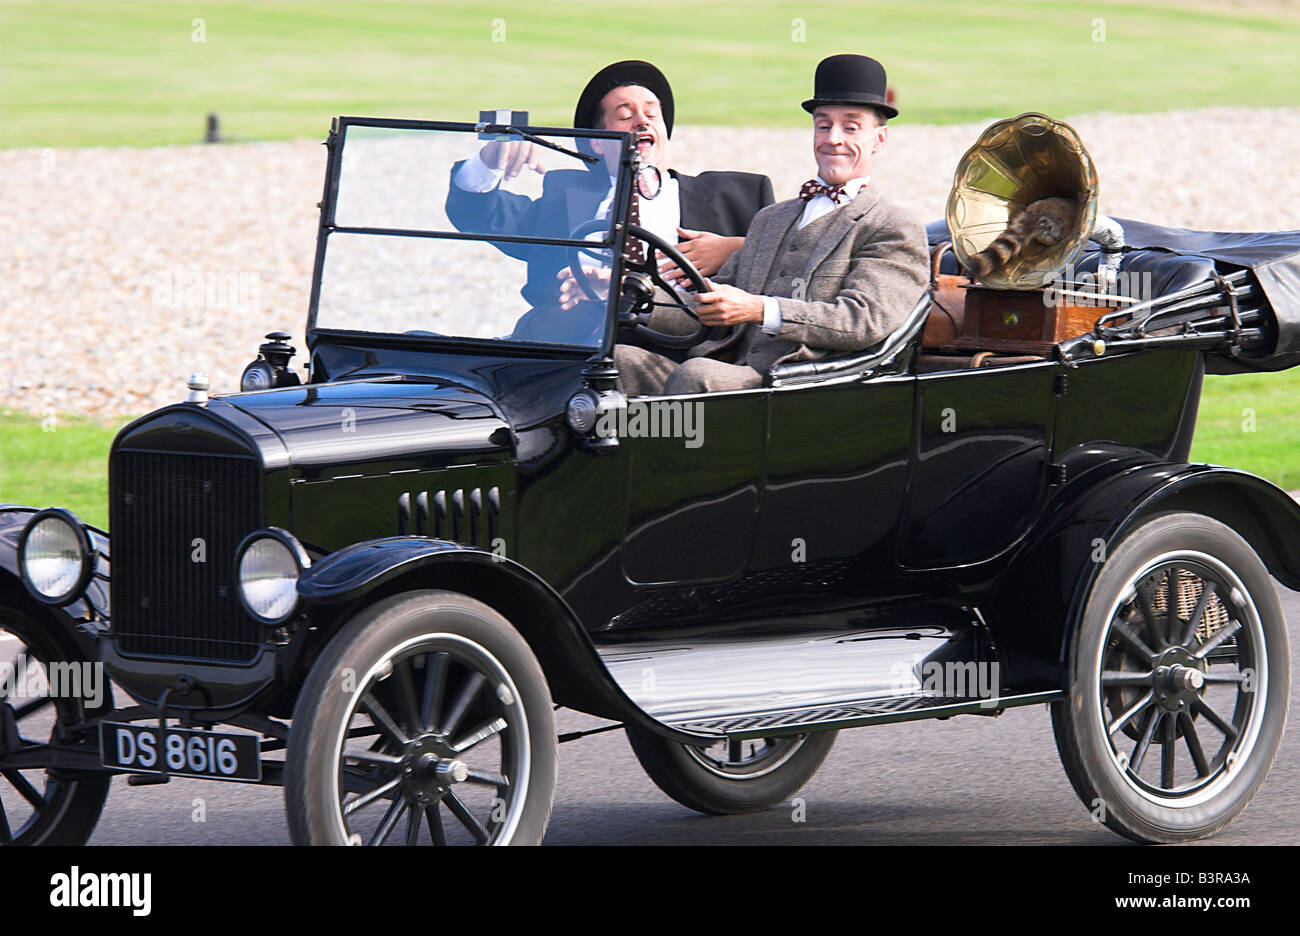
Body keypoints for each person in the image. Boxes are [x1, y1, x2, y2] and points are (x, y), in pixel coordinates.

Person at [615, 54, 930, 395]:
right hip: (731, 369)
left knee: (698, 374)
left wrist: (759, 309)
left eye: (850, 127)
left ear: (879, 140)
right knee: (617, 362)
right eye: (823, 125)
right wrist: (631, 294)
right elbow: (709, 303)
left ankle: (666, 446)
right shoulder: (771, 219)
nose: (833, 139)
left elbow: (861, 321)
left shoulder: (892, 226)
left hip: (805, 385)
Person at [445, 60, 774, 344]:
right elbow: (477, 214)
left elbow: (792, 258)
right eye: (624, 114)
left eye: (651, 113)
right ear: (598, 144)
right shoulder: (562, 197)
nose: (642, 121)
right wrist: (489, 160)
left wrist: (736, 247)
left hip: (680, 347)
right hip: (573, 350)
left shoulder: (737, 194)